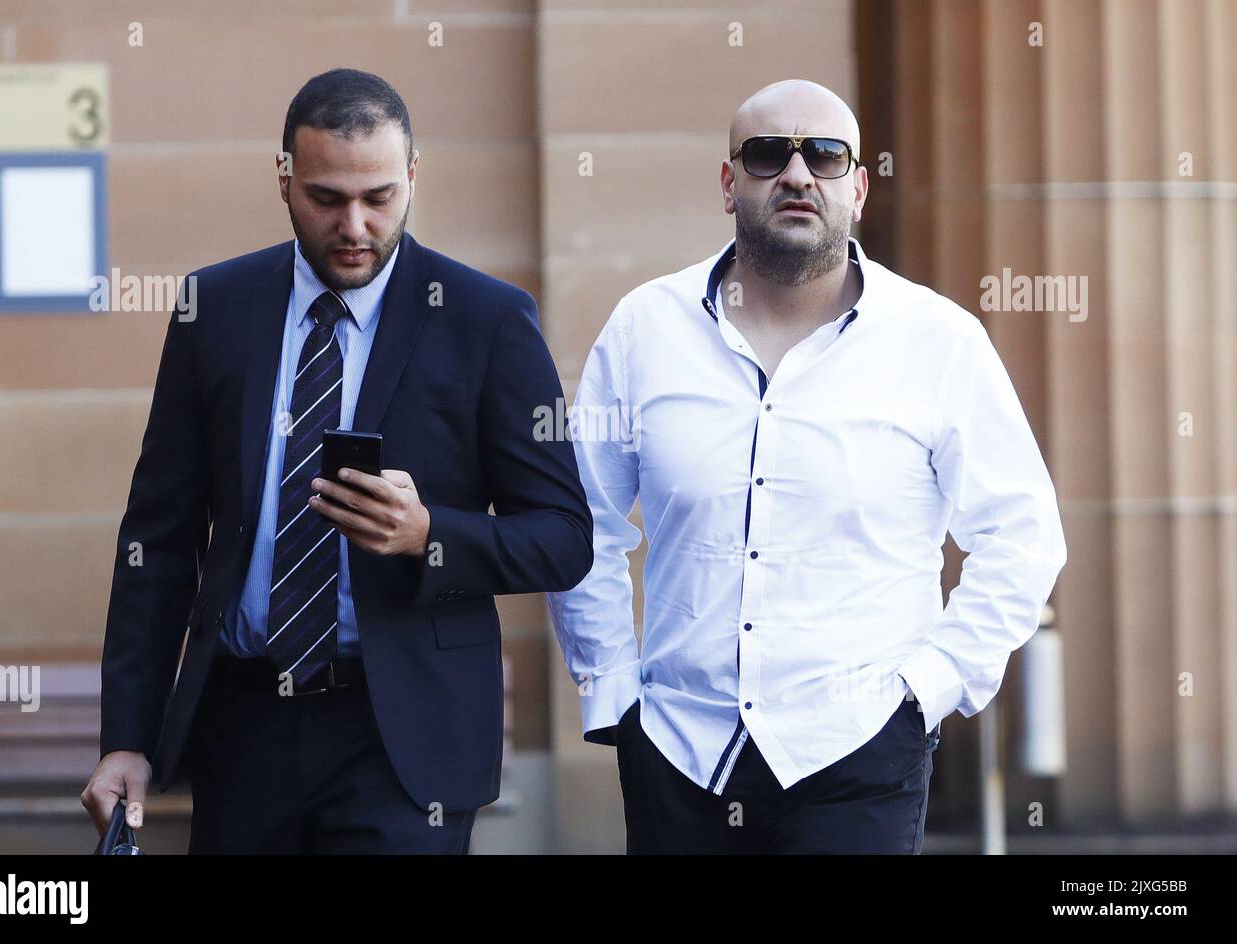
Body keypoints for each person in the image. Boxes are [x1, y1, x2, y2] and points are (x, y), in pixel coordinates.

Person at [547, 79, 1067, 854]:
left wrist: (928, 690)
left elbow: (1023, 537)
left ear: (857, 189)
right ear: (730, 183)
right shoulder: (644, 329)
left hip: (859, 749)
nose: (797, 174)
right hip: (679, 752)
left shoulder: (938, 341)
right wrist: (614, 688)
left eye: (824, 156)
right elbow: (579, 521)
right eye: (767, 154)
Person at [81, 68, 592, 853]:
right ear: (283, 178)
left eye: (379, 197)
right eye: (327, 198)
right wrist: (126, 737)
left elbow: (563, 537)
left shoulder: (485, 319)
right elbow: (158, 539)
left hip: (404, 739)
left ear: (413, 173)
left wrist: (431, 534)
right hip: (242, 726)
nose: (355, 225)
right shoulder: (213, 309)